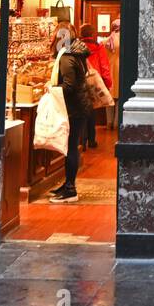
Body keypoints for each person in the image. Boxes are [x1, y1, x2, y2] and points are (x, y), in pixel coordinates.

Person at [49, 26, 93, 204]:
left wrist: (51, 88)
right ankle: (67, 183)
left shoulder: (66, 58)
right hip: (79, 106)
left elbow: (69, 85)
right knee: (70, 147)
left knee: (71, 147)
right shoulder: (77, 53)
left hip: (74, 108)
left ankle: (70, 189)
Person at [80, 22, 111, 148]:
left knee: (82, 110)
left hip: (81, 81)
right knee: (92, 111)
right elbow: (104, 67)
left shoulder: (77, 47)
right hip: (94, 82)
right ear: (93, 34)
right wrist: (108, 83)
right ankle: (92, 140)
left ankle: (82, 141)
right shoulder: (99, 48)